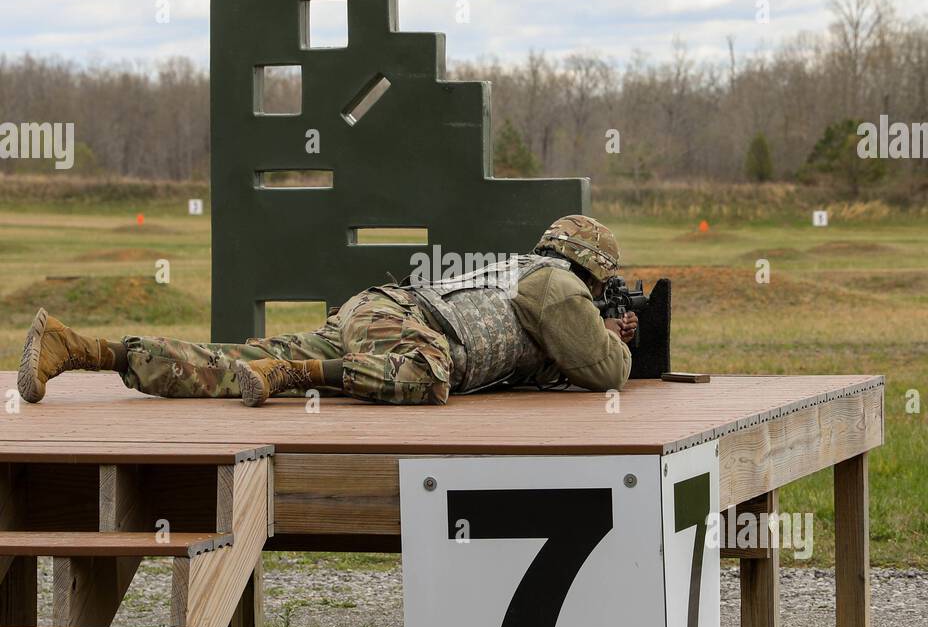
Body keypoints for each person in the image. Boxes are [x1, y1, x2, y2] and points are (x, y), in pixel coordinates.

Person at [17, 214, 637, 408]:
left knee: (231, 362)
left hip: (379, 315)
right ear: (589, 268)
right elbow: (606, 372)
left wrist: (596, 334)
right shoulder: (557, 286)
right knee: (431, 375)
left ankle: (82, 350)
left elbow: (544, 363)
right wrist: (615, 339)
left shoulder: (528, 272)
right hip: (406, 330)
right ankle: (298, 379)